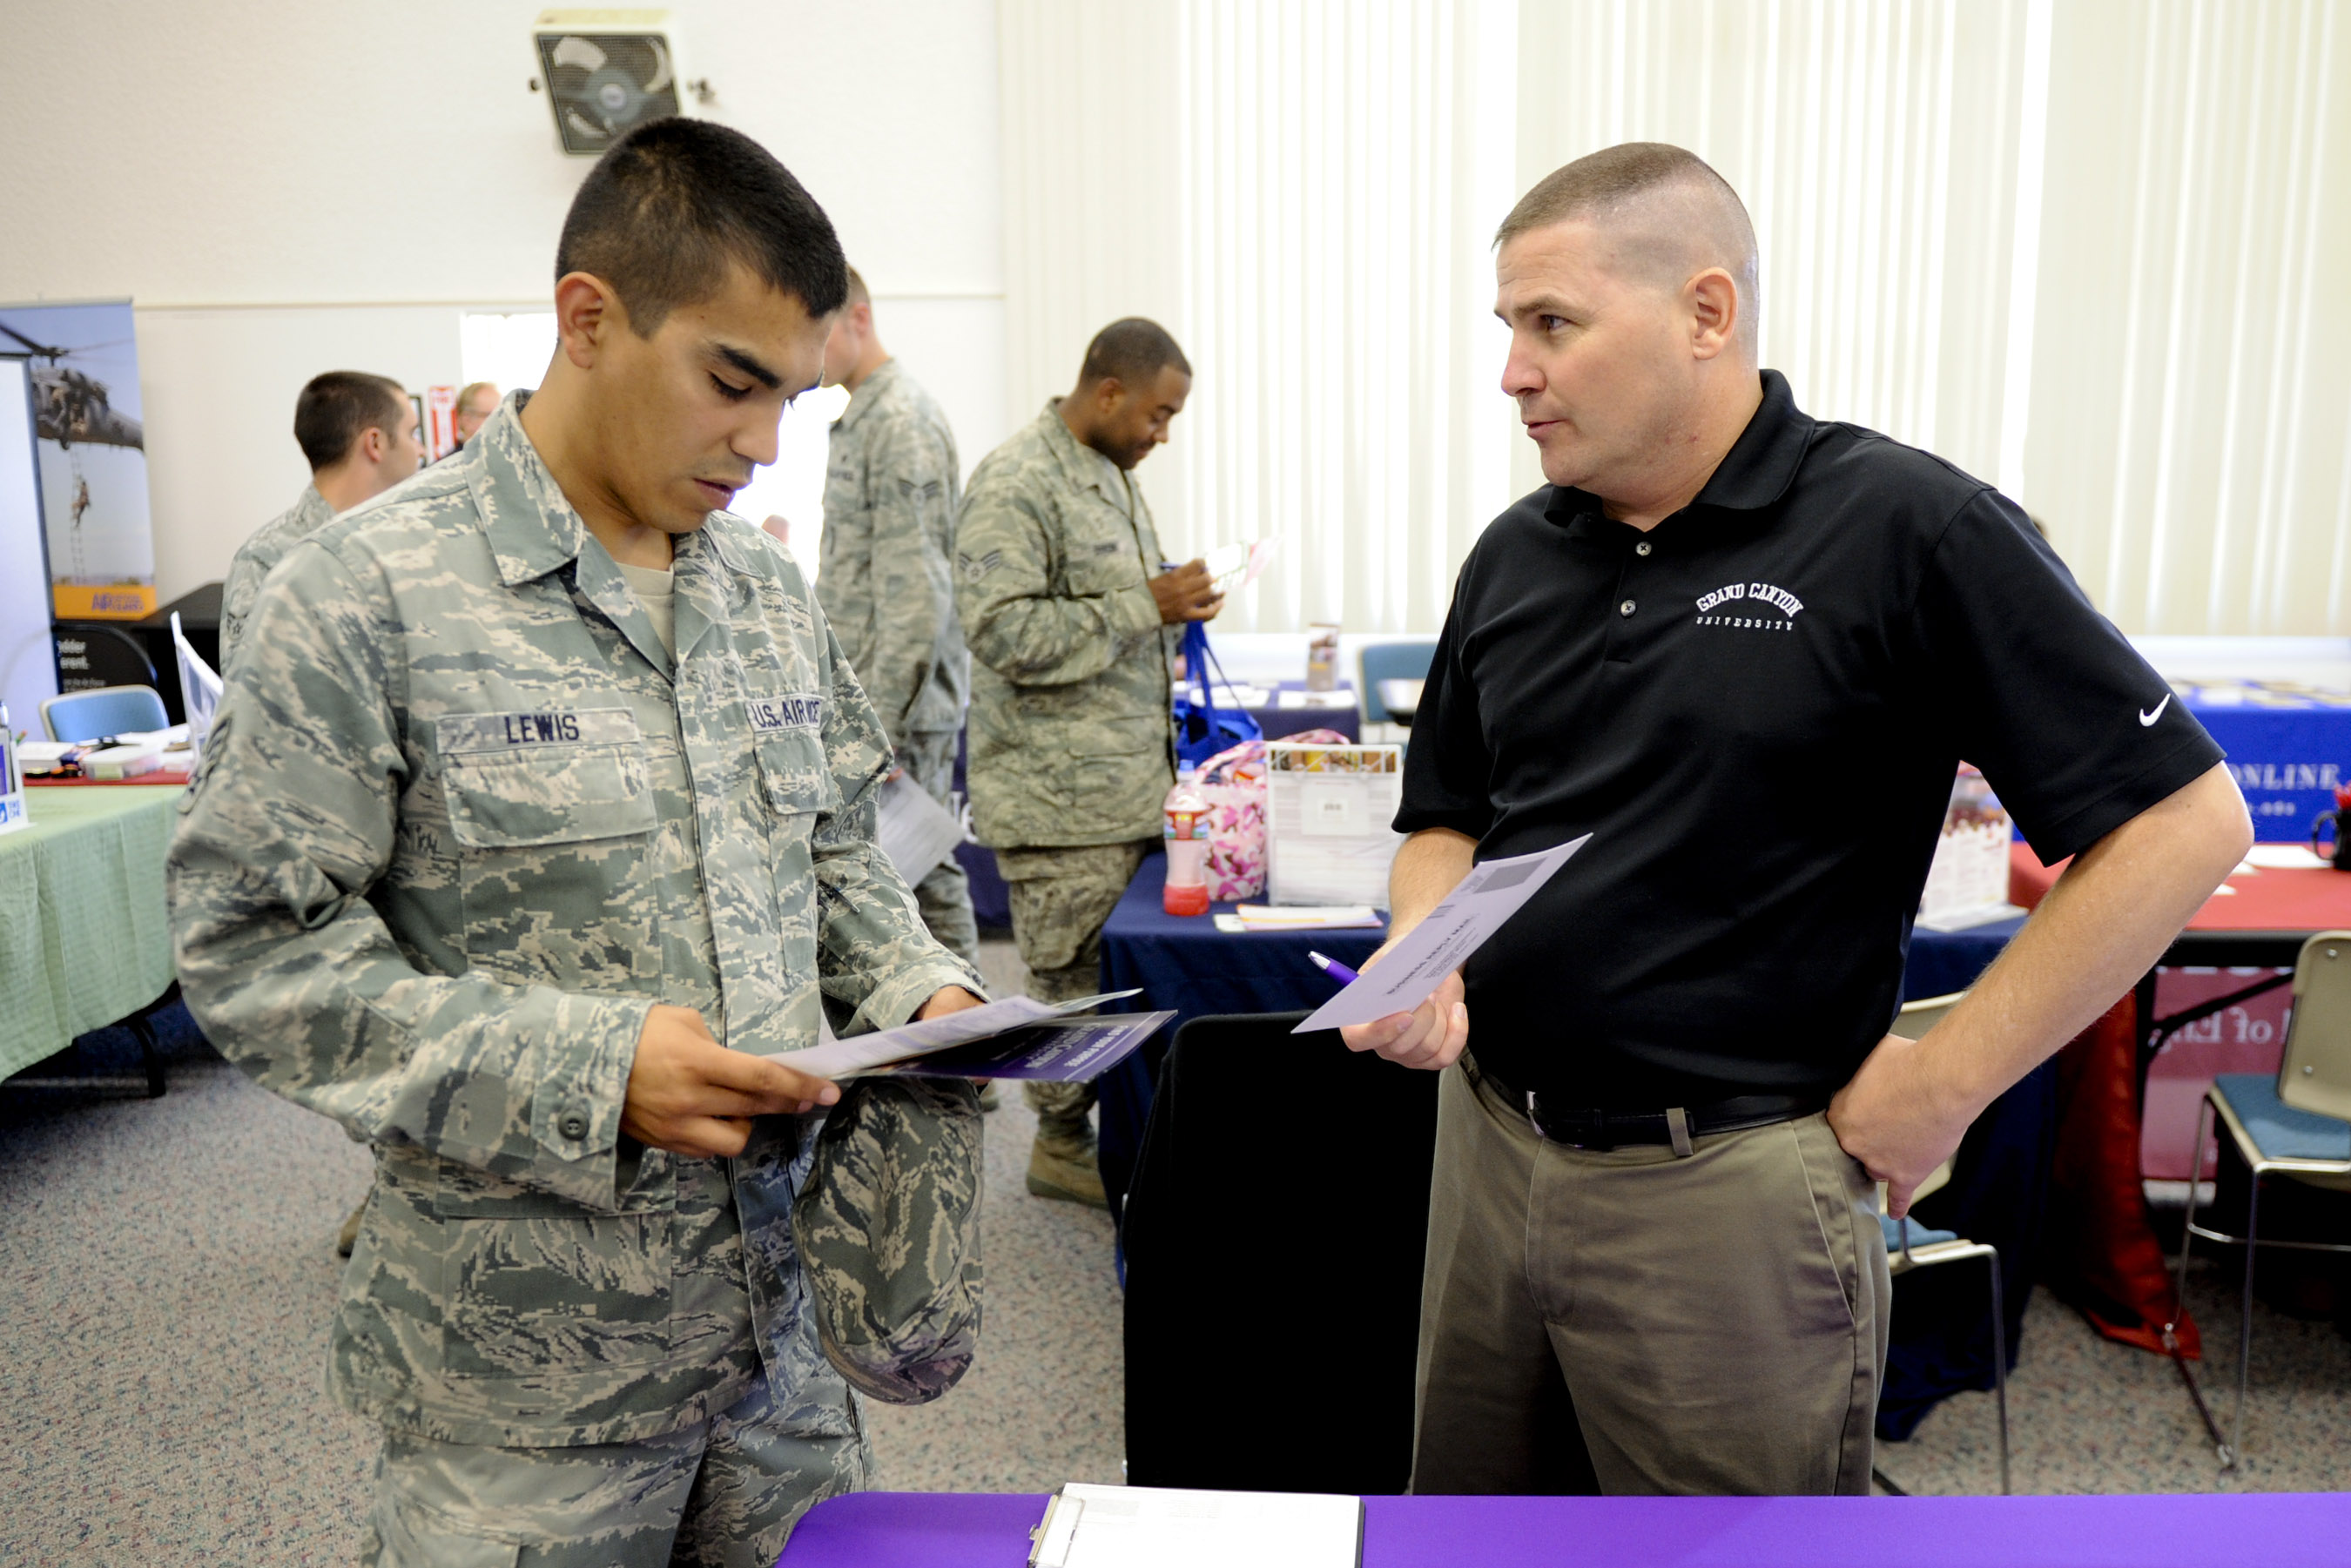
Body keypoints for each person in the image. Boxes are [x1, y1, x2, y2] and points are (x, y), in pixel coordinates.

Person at [1343, 143, 2252, 1497]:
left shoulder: (1908, 529)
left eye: (1554, 325)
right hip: (1489, 1154)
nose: (1514, 373)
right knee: (1471, 1530)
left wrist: (1943, 1087)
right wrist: (1423, 953)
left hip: (1726, 1190)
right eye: (1509, 329)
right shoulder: (1521, 550)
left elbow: (2187, 820)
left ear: (1706, 315)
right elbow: (1451, 815)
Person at [167, 117, 987, 1564]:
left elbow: (844, 854)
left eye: (791, 400)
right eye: (732, 383)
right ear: (589, 321)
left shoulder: (760, 591)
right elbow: (252, 954)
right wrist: (592, 1068)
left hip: (777, 1352)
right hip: (525, 1395)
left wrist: (920, 987)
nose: (760, 442)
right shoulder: (365, 598)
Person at [955, 319, 1223, 1205]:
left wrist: (1170, 603)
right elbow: (1002, 632)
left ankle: (1111, 1133)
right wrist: (1145, 603)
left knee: (1123, 987)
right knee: (1066, 983)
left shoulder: (1110, 476)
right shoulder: (1016, 482)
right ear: (1108, 392)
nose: (1162, 434)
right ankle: (1061, 1144)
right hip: (1056, 801)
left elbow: (1110, 611)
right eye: (1158, 414)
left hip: (1123, 790)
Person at [816, 266, 979, 974]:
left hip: (897, 711)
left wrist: (874, 731)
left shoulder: (901, 420)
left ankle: (972, 1075)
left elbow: (917, 591)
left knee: (923, 880)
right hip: (876, 701)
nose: (801, 357)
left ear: (858, 317)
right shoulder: (864, 414)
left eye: (812, 334)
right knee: (896, 881)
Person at [218, 372, 421, 662]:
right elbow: (251, 693)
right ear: (375, 443)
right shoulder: (267, 560)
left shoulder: (409, 542)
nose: (421, 450)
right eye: (413, 434)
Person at [453, 380, 500, 446]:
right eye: (492, 416)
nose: (500, 422)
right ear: (467, 420)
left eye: (502, 415)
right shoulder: (456, 456)